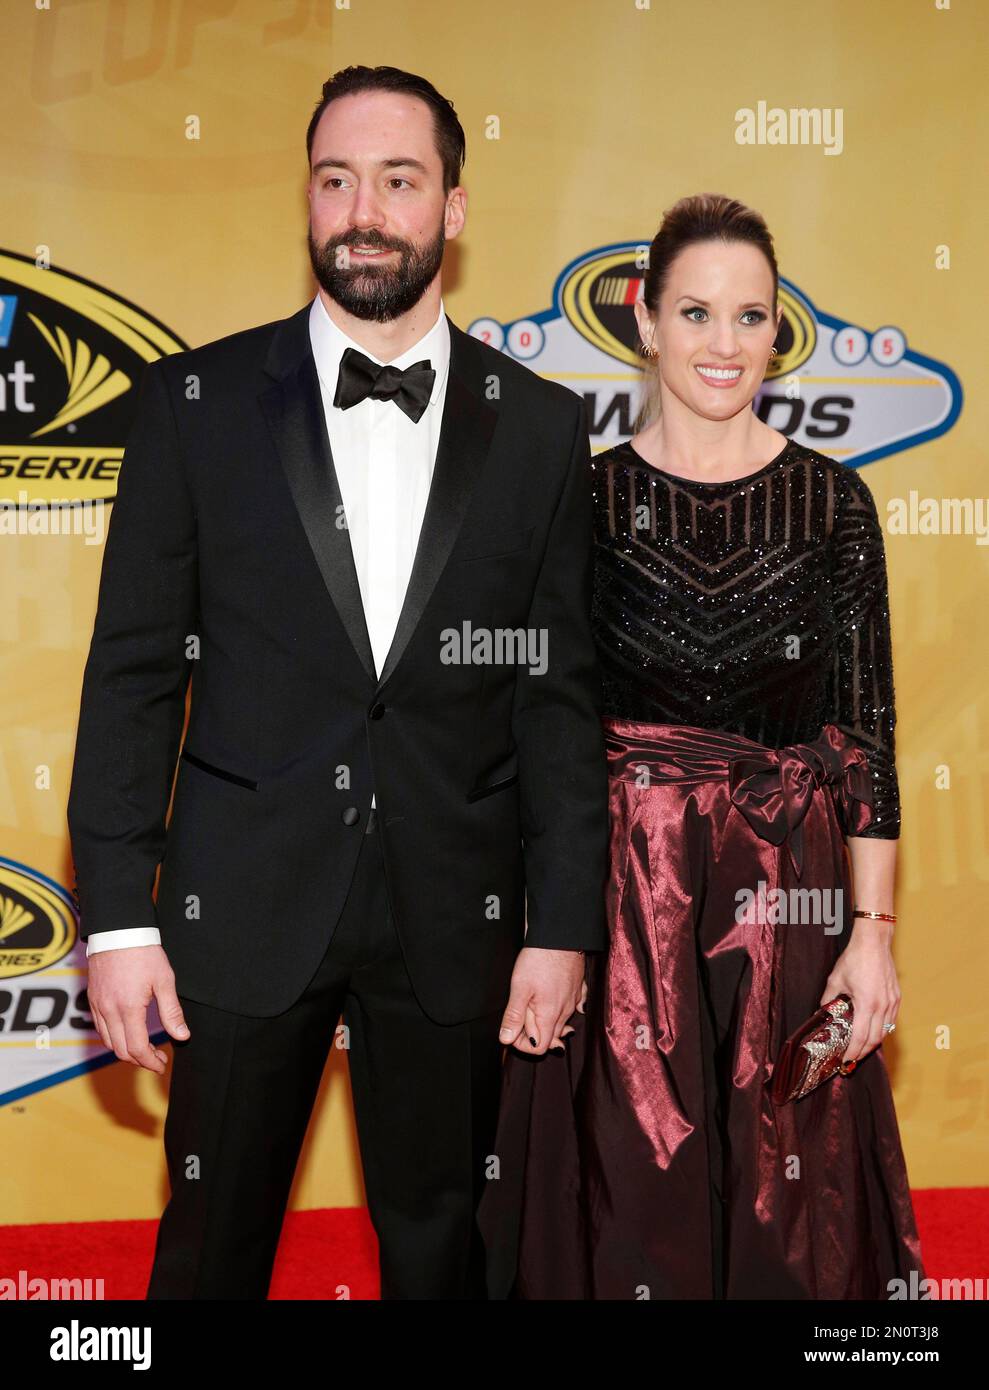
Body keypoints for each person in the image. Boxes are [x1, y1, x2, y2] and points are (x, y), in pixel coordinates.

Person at [66, 64, 609, 1301]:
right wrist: (120, 915)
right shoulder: (190, 405)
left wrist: (562, 922)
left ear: (453, 211)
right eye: (335, 178)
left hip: (454, 916)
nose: (363, 209)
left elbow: (553, 695)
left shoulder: (535, 429)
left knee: (447, 1255)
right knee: (207, 1257)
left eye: (399, 180)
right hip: (236, 906)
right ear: (307, 199)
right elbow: (135, 676)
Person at [479, 193, 927, 1300]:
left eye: (749, 317)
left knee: (791, 1210)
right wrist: (554, 926)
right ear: (643, 320)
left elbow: (865, 734)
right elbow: (542, 725)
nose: (722, 344)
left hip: (792, 896)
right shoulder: (580, 499)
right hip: (631, 901)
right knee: (635, 1195)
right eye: (694, 313)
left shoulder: (833, 503)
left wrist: (869, 938)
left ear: (777, 331)